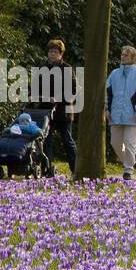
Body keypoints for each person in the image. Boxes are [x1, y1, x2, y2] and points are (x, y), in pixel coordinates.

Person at [106, 45, 136, 181]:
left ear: (132, 58)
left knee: (130, 143)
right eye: (122, 54)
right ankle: (130, 162)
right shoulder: (114, 74)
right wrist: (106, 109)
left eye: (125, 55)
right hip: (115, 113)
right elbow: (107, 92)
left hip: (132, 114)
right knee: (115, 142)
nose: (122, 57)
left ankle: (128, 170)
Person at [37, 38, 77, 175]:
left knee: (67, 139)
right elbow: (37, 86)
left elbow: (72, 88)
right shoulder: (43, 68)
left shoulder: (67, 68)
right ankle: (47, 169)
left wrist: (58, 98)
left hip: (64, 111)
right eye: (50, 51)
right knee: (46, 140)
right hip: (47, 111)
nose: (52, 54)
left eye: (55, 52)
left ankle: (75, 169)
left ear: (61, 54)